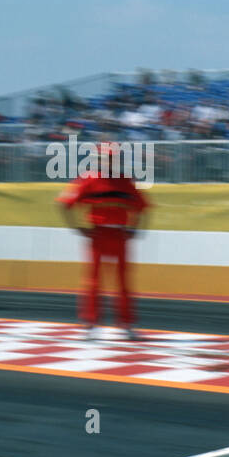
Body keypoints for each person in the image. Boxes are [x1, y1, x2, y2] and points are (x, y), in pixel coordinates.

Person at [56, 142, 150, 339]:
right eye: (104, 158)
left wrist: (135, 229)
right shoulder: (88, 180)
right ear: (98, 160)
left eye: (112, 158)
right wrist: (77, 227)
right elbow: (63, 204)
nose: (109, 162)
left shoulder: (125, 181)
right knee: (93, 281)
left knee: (123, 281)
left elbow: (143, 206)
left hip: (120, 235)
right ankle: (91, 325)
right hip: (98, 235)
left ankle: (126, 325)